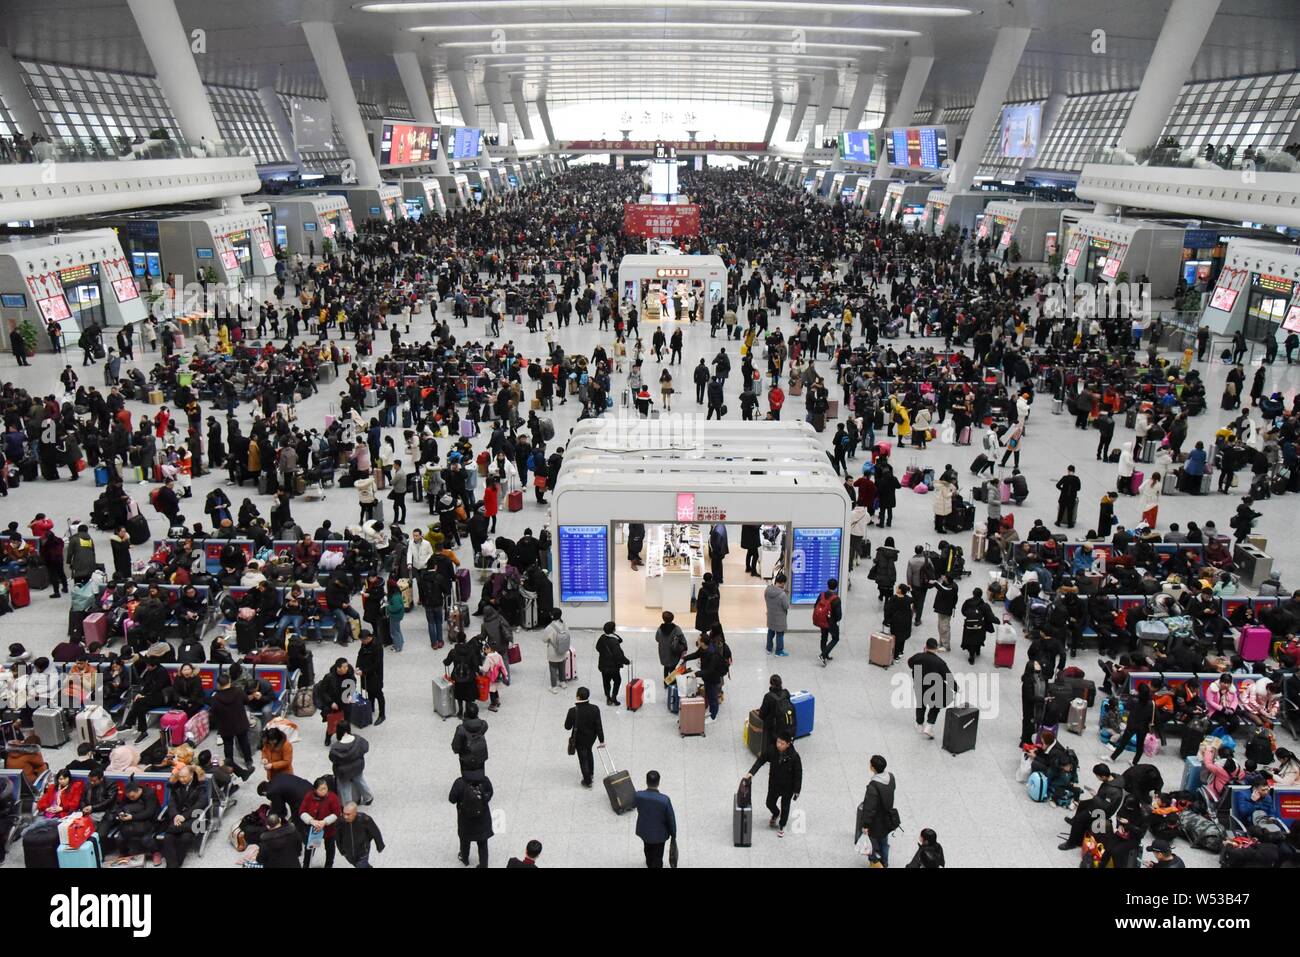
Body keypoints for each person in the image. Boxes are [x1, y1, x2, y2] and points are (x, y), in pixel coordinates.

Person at [744, 733, 803, 837]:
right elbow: (761, 760)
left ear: (789, 744)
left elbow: (798, 774)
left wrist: (797, 790)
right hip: (774, 784)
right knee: (769, 803)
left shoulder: (794, 757)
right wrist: (751, 772)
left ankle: (781, 825)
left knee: (785, 807)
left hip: (787, 787)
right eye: (778, 742)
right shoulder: (772, 750)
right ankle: (776, 813)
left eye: (782, 743)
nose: (779, 745)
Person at [208, 672, 254, 776]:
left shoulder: (215, 698)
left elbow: (213, 714)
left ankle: (230, 765)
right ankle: (248, 761)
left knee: (228, 746)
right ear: (229, 682)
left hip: (225, 726)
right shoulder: (238, 691)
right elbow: (246, 701)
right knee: (244, 742)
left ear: (218, 684)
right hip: (240, 723)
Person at [907, 639, 954, 738]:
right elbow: (948, 677)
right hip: (935, 688)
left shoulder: (918, 657)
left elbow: (910, 663)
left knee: (921, 704)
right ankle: (929, 725)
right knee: (936, 705)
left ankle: (919, 724)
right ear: (936, 648)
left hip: (920, 685)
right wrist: (956, 688)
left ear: (926, 646)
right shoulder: (940, 662)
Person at [448, 768, 493, 867]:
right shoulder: (484, 780)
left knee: (464, 840)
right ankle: (483, 864)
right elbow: (490, 794)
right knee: (482, 843)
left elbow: (452, 799)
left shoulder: (459, 782)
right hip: (482, 819)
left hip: (465, 821)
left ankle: (464, 858)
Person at [859, 754, 898, 867]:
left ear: (873, 768)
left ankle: (874, 862)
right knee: (884, 841)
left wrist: (866, 825)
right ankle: (885, 862)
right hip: (887, 817)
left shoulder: (873, 786)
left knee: (871, 842)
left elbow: (870, 808)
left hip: (876, 821)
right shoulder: (891, 777)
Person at [633, 769, 678, 867]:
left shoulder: (638, 795)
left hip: (644, 832)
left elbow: (630, 802)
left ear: (646, 781)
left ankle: (649, 862)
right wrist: (673, 834)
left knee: (647, 850)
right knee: (658, 856)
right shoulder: (664, 800)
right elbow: (671, 819)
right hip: (660, 835)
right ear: (658, 782)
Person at [564, 686, 605, 788]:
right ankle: (591, 773)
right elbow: (598, 725)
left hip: (579, 739)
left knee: (583, 758)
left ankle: (587, 781)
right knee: (589, 751)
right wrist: (601, 740)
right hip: (591, 738)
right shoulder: (595, 709)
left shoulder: (573, 711)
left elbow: (567, 727)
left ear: (578, 697)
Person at [299, 776, 342, 868]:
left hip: (329, 828)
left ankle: (329, 865)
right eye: (321, 789)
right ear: (315, 790)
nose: (324, 791)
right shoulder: (309, 796)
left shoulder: (332, 797)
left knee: (330, 847)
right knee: (310, 848)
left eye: (325, 788)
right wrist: (311, 821)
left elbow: (337, 813)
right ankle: (306, 865)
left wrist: (324, 822)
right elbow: (302, 811)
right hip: (313, 828)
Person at [329, 721, 373, 806]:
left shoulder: (336, 748)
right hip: (357, 767)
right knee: (360, 781)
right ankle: (368, 797)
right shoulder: (359, 740)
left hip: (343, 772)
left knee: (345, 788)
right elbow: (366, 748)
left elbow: (332, 758)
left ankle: (349, 806)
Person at [1109, 683, 1154, 766]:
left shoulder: (1134, 700)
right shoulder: (1151, 703)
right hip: (1143, 727)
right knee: (1140, 746)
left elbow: (1127, 707)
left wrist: (1132, 696)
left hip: (1132, 725)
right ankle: (1134, 762)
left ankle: (1112, 758)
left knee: (1123, 743)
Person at [336, 801, 385, 868]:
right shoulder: (340, 822)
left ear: (355, 813)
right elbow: (338, 837)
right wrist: (341, 850)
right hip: (348, 852)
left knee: (360, 865)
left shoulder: (365, 820)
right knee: (357, 865)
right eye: (344, 814)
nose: (345, 816)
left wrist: (380, 846)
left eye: (348, 814)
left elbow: (375, 832)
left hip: (362, 851)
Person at [594, 620, 630, 706]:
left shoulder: (602, 638)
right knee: (617, 680)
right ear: (613, 630)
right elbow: (619, 655)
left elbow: (597, 648)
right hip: (613, 667)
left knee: (606, 682)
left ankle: (608, 698)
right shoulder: (614, 641)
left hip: (603, 665)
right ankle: (614, 697)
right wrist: (626, 661)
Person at [959, 587, 995, 665]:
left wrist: (970, 616)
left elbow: (963, 611)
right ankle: (978, 650)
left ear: (973, 593)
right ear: (981, 595)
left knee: (970, 639)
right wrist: (997, 621)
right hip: (980, 627)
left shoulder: (967, 602)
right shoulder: (984, 605)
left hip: (969, 626)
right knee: (978, 638)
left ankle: (971, 656)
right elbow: (990, 616)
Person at [543, 608, 572, 694]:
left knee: (553, 668)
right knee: (562, 665)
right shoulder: (564, 624)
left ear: (552, 616)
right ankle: (563, 682)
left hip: (553, 651)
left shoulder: (549, 627)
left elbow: (544, 640)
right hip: (563, 649)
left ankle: (554, 687)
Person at [814, 577, 842, 664]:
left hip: (822, 620)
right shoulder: (836, 599)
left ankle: (825, 655)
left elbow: (815, 606)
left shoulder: (821, 595)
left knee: (824, 637)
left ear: (827, 585)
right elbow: (838, 615)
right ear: (836, 587)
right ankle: (823, 655)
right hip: (831, 622)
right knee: (835, 638)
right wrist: (836, 620)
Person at [765, 572, 790, 656]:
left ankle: (768, 649)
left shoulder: (767, 590)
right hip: (780, 618)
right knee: (780, 634)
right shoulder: (782, 595)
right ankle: (779, 651)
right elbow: (786, 606)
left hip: (770, 615)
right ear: (783, 583)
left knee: (770, 632)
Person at [932, 574, 958, 652]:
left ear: (947, 578)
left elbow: (944, 590)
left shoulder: (952, 587)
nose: (942, 577)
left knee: (944, 628)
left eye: (944, 576)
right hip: (941, 609)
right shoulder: (945, 584)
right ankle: (941, 642)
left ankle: (946, 646)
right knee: (940, 627)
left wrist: (935, 583)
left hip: (946, 610)